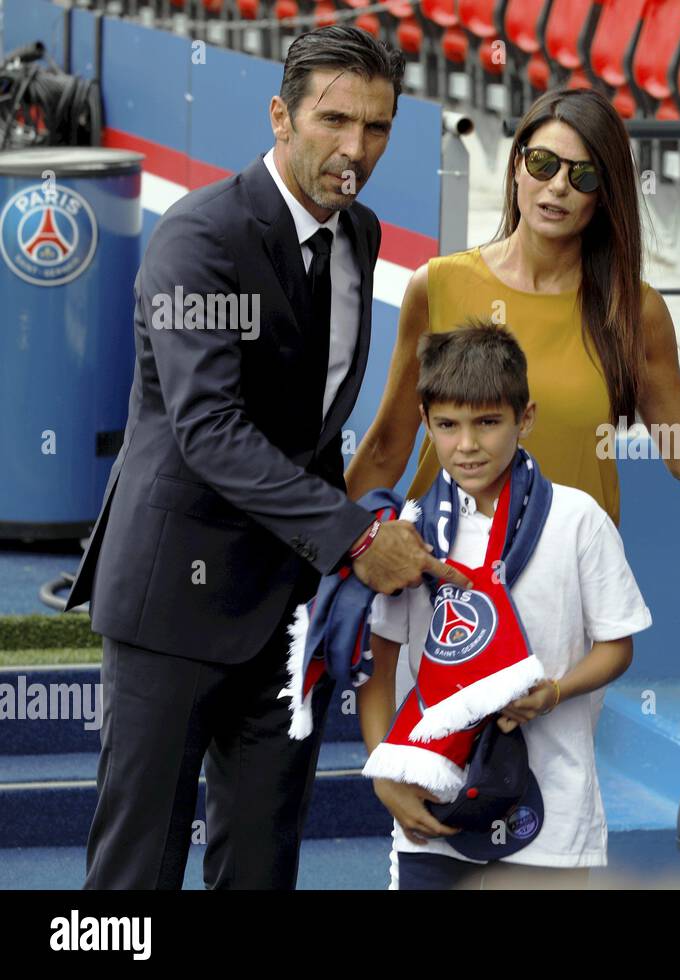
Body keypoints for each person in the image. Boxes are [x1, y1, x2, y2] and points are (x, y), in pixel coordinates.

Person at [65, 26, 469, 890]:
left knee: (261, 866)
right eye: (334, 120)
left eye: (377, 128)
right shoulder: (199, 238)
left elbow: (313, 436)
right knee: (134, 874)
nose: (355, 148)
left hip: (289, 618)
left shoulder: (359, 235)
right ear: (281, 116)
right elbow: (210, 428)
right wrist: (358, 538)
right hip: (173, 604)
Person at [345, 87, 680, 598]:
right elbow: (386, 446)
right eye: (544, 163)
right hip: (443, 578)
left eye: (583, 175)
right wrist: (327, 549)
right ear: (517, 166)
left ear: (604, 194)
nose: (558, 187)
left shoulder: (636, 312)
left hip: (565, 582)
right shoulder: (436, 285)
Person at [357, 319, 652, 889]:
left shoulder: (576, 519)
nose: (467, 444)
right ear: (425, 423)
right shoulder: (409, 530)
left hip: (553, 816)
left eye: (488, 423)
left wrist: (553, 694)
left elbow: (617, 646)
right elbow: (380, 660)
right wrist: (382, 773)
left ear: (526, 417)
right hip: (430, 803)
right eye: (447, 425)